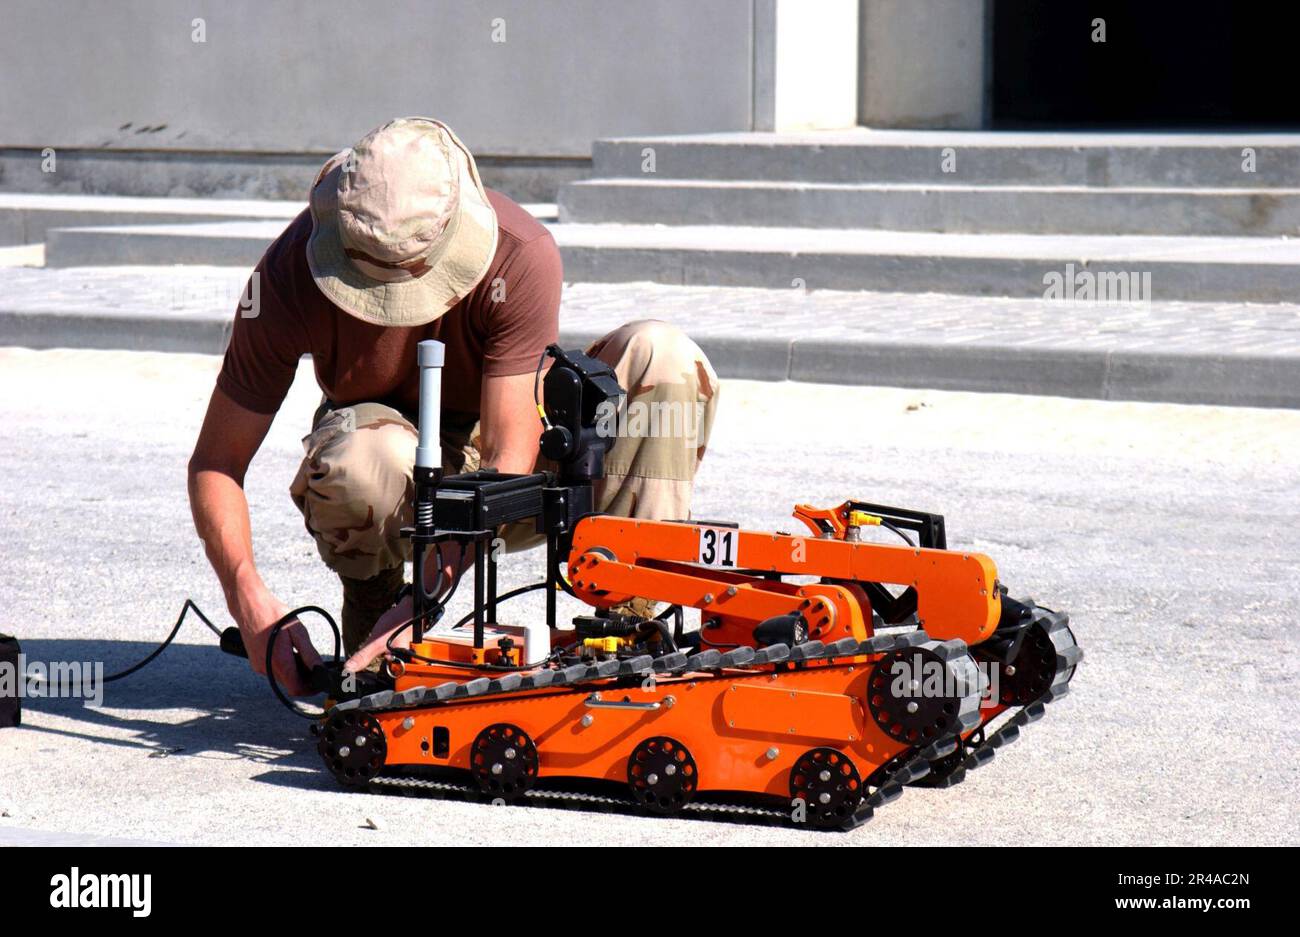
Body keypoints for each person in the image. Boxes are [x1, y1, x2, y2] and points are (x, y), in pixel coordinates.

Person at [187, 117, 719, 695]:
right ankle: (372, 609)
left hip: (514, 469)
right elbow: (216, 463)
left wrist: (427, 601)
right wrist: (250, 601)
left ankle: (628, 629)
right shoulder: (289, 274)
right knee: (365, 461)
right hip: (398, 473)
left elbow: (506, 455)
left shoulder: (521, 253)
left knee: (661, 356)